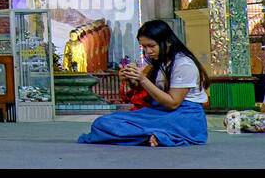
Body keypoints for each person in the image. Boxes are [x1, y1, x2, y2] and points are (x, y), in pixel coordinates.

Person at [78, 19, 209, 147]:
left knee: (107, 127)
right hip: (160, 112)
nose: (148, 51)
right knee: (103, 123)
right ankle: (157, 135)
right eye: (144, 47)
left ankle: (166, 134)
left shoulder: (183, 64)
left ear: (168, 42)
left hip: (184, 115)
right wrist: (130, 79)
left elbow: (173, 103)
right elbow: (146, 90)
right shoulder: (158, 61)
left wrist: (142, 79)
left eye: (151, 46)